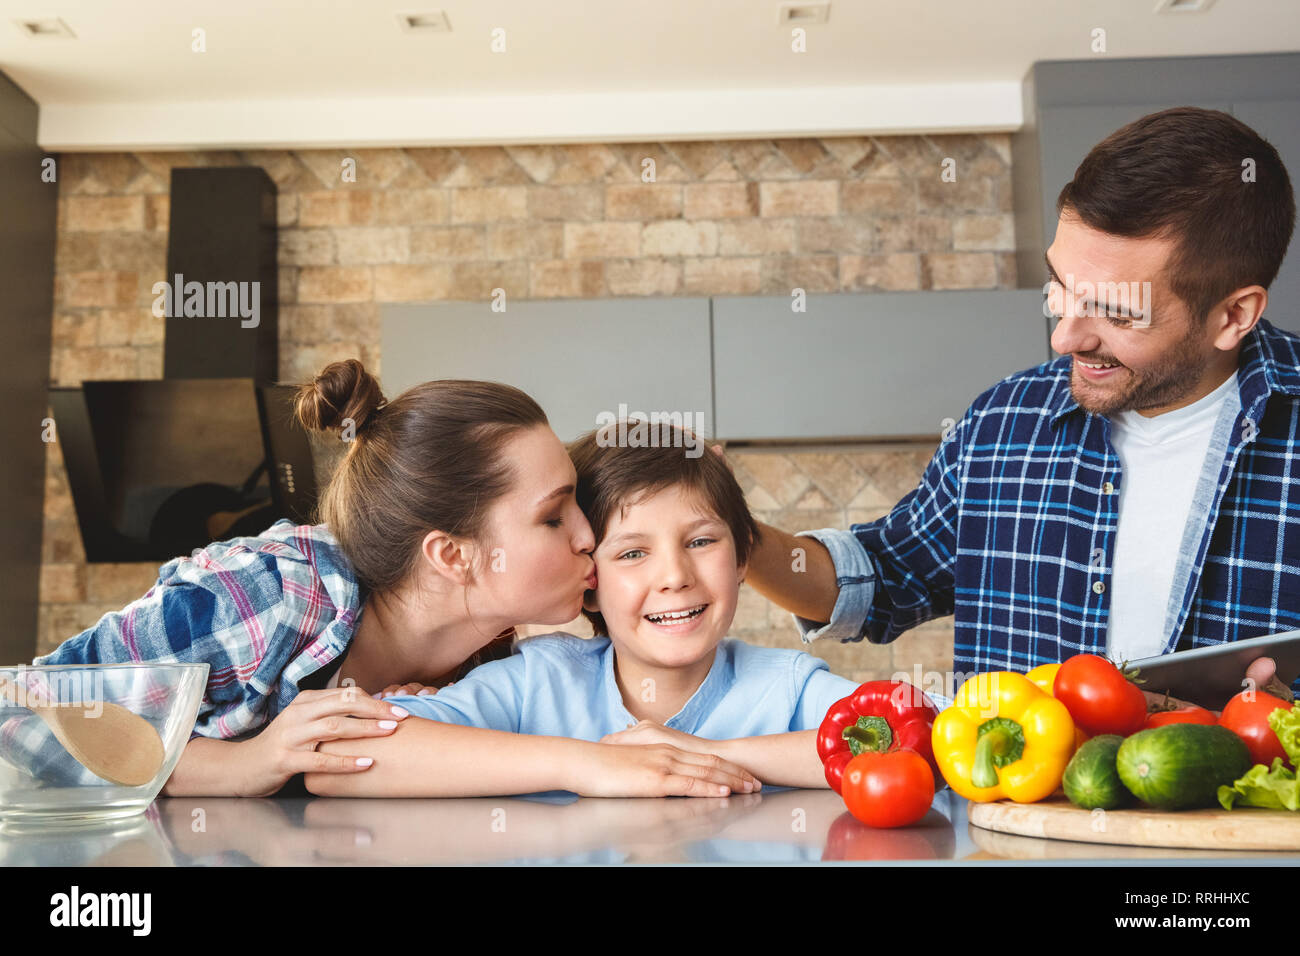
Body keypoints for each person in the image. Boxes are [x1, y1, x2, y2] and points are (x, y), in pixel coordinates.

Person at [738, 107, 1300, 705]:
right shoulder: (1004, 422)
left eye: (1115, 311)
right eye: (1061, 287)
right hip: (1017, 804)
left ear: (1233, 315)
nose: (1064, 338)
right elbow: (880, 578)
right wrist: (729, 530)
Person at [17, 361, 757, 798]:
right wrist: (245, 764)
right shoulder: (273, 591)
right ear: (452, 555)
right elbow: (24, 712)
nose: (589, 538)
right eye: (555, 516)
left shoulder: (497, 646)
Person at [307, 422, 936, 797]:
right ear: (588, 579)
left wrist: (695, 757)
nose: (674, 577)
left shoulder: (785, 685)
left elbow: (922, 742)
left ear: (743, 555)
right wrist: (595, 764)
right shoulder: (537, 680)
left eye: (700, 542)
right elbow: (338, 761)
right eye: (632, 553)